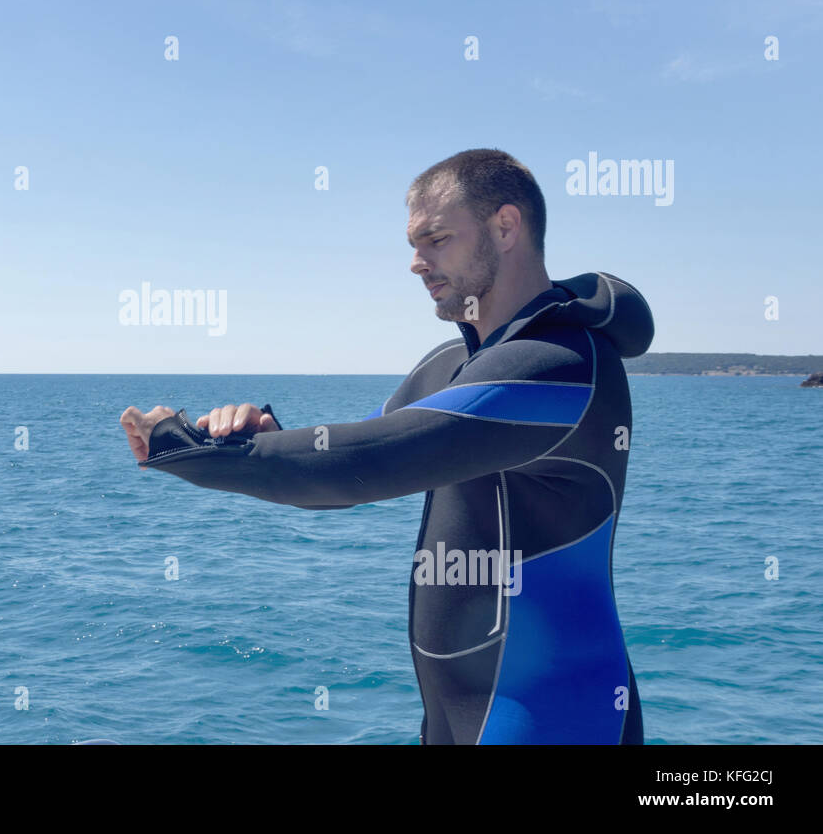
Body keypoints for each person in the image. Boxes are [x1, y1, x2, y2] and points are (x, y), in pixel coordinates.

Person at [120, 148, 653, 744]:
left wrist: (184, 451)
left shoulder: (563, 365)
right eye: (412, 245)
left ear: (506, 227)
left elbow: (366, 465)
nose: (417, 263)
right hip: (452, 718)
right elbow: (341, 473)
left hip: (557, 717)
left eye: (436, 239)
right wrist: (266, 439)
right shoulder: (451, 367)